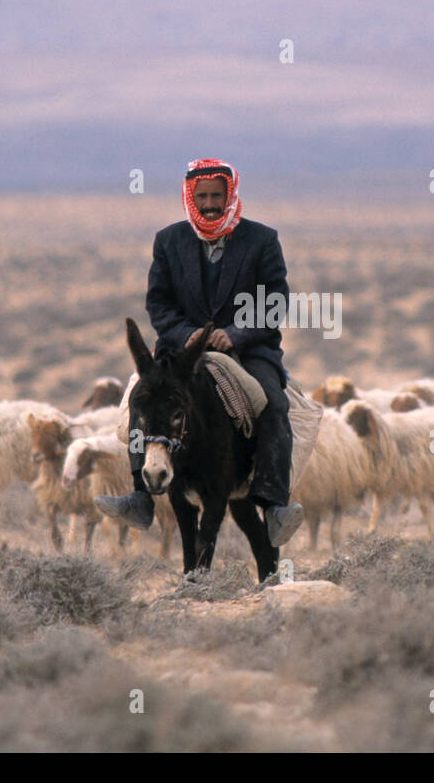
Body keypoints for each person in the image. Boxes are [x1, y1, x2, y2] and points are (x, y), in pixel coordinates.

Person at [95, 158, 304, 547]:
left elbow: (275, 302)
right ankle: (141, 497)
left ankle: (274, 504)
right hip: (180, 350)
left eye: (217, 196)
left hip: (248, 350)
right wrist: (189, 334)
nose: (210, 204)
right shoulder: (169, 241)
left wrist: (236, 334)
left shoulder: (262, 240)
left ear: (230, 196)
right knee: (143, 399)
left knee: (273, 403)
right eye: (202, 196)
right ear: (191, 197)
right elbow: (158, 304)